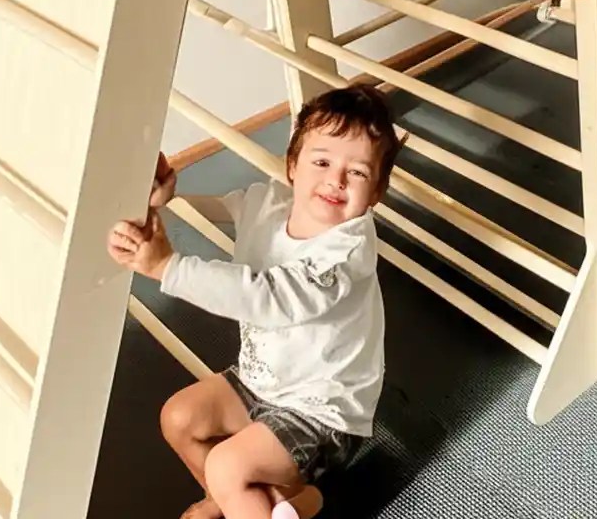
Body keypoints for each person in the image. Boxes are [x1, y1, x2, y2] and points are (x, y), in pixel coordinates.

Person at [106, 85, 404, 519]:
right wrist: (167, 200)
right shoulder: (270, 201)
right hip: (261, 382)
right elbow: (224, 207)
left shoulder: (344, 253)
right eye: (321, 161)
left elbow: (267, 299)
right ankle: (257, 503)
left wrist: (168, 268)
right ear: (293, 167)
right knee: (179, 418)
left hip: (323, 411)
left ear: (375, 193)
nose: (335, 180)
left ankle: (252, 498)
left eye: (357, 173)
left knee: (228, 464)